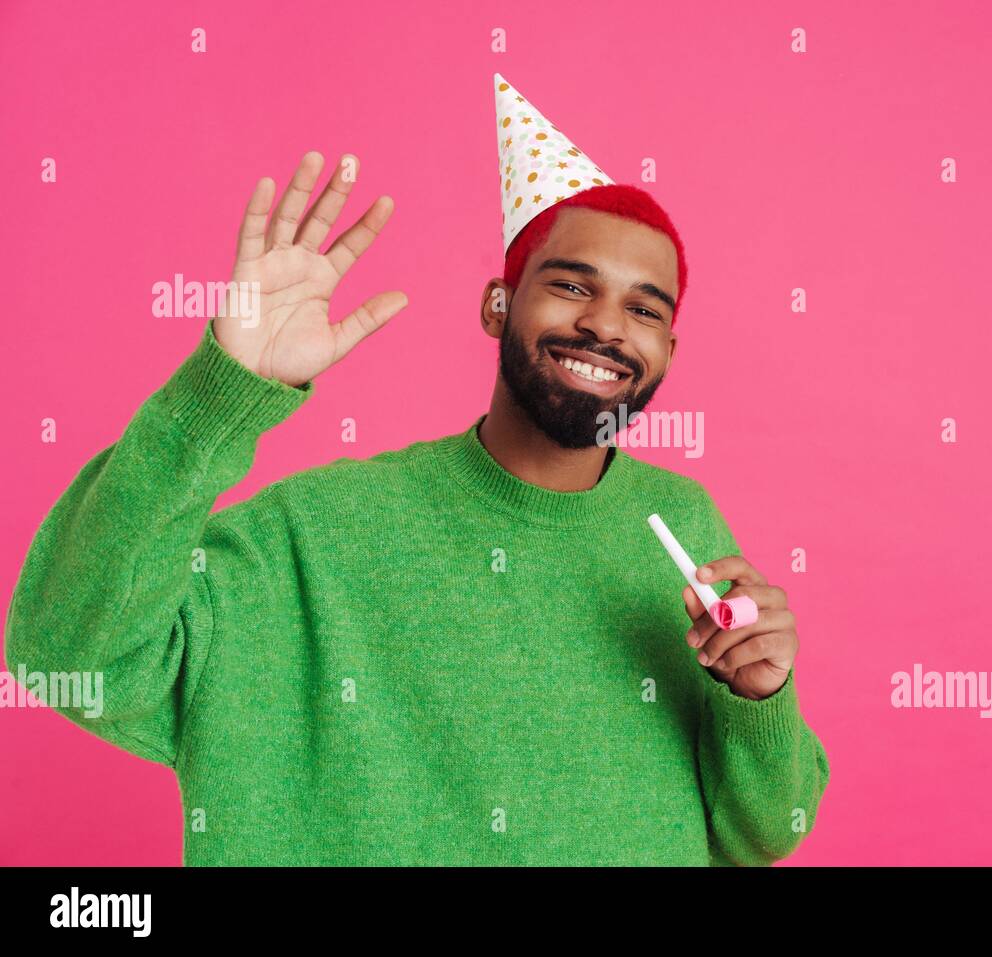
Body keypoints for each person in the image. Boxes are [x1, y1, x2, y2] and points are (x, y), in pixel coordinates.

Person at [3, 76, 830, 866]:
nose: (605, 325)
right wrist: (221, 395)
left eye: (644, 308)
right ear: (496, 305)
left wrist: (758, 700)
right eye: (571, 284)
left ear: (668, 351)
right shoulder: (312, 535)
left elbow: (764, 832)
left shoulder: (684, 527)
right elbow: (69, 653)